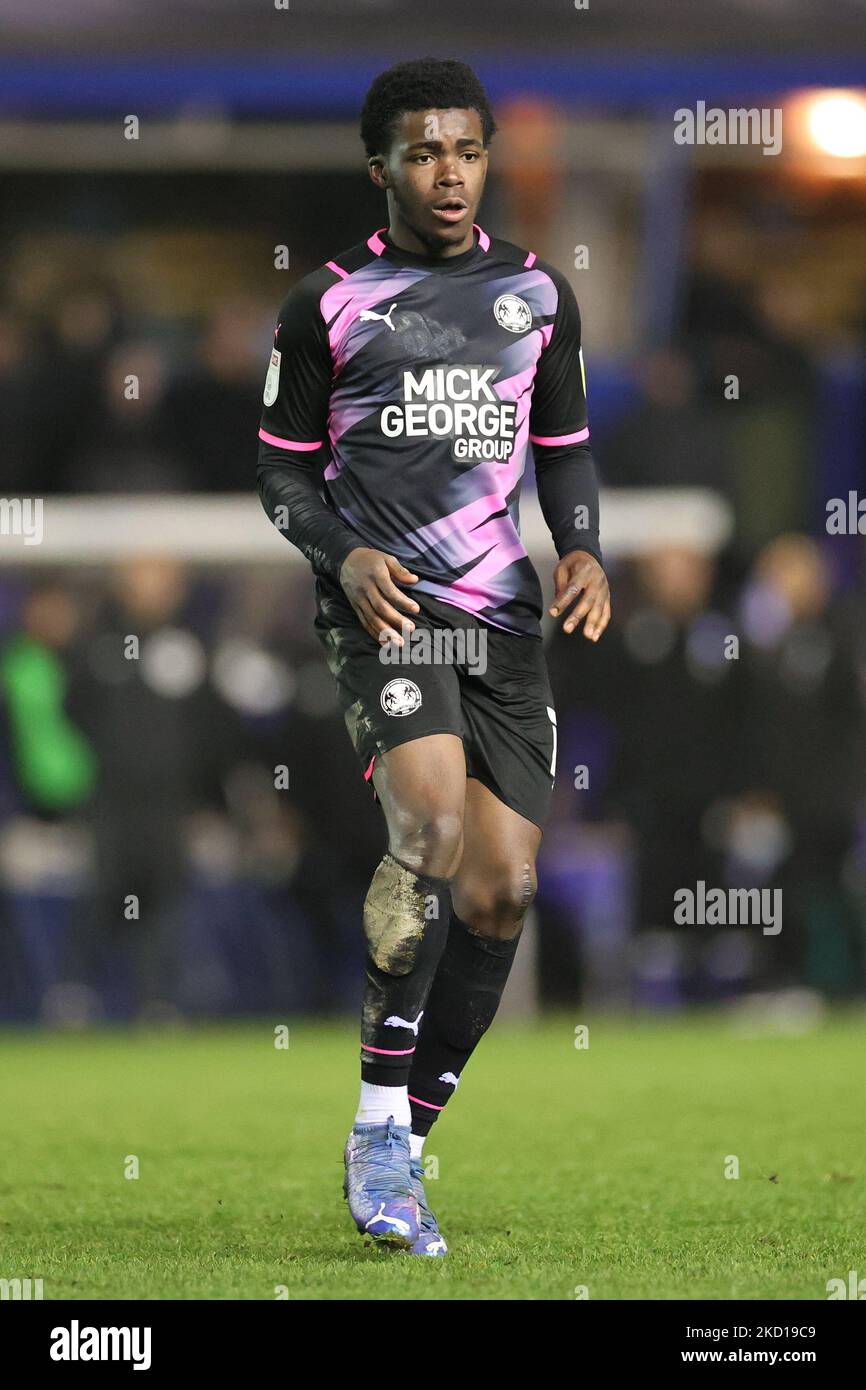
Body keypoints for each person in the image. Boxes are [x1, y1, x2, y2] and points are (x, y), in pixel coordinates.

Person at [256, 57, 609, 1255]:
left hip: (501, 618)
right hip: (390, 610)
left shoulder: (536, 296)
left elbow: (561, 448)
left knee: (502, 885)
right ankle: (370, 1128)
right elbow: (279, 469)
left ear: (484, 158)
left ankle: (407, 1133)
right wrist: (345, 557)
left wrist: (583, 551)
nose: (446, 171)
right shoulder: (328, 304)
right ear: (381, 170)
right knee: (429, 826)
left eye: (464, 149)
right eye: (421, 152)